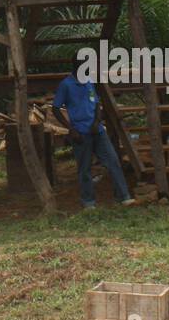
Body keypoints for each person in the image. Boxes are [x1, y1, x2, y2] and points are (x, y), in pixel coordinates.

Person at [53, 55, 136, 209]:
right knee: (84, 169)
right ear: (76, 66)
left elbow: (96, 103)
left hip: (97, 131)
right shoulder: (66, 85)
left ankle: (123, 196)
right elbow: (55, 108)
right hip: (80, 133)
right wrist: (71, 129)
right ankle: (88, 202)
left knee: (113, 161)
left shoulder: (89, 81)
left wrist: (97, 121)